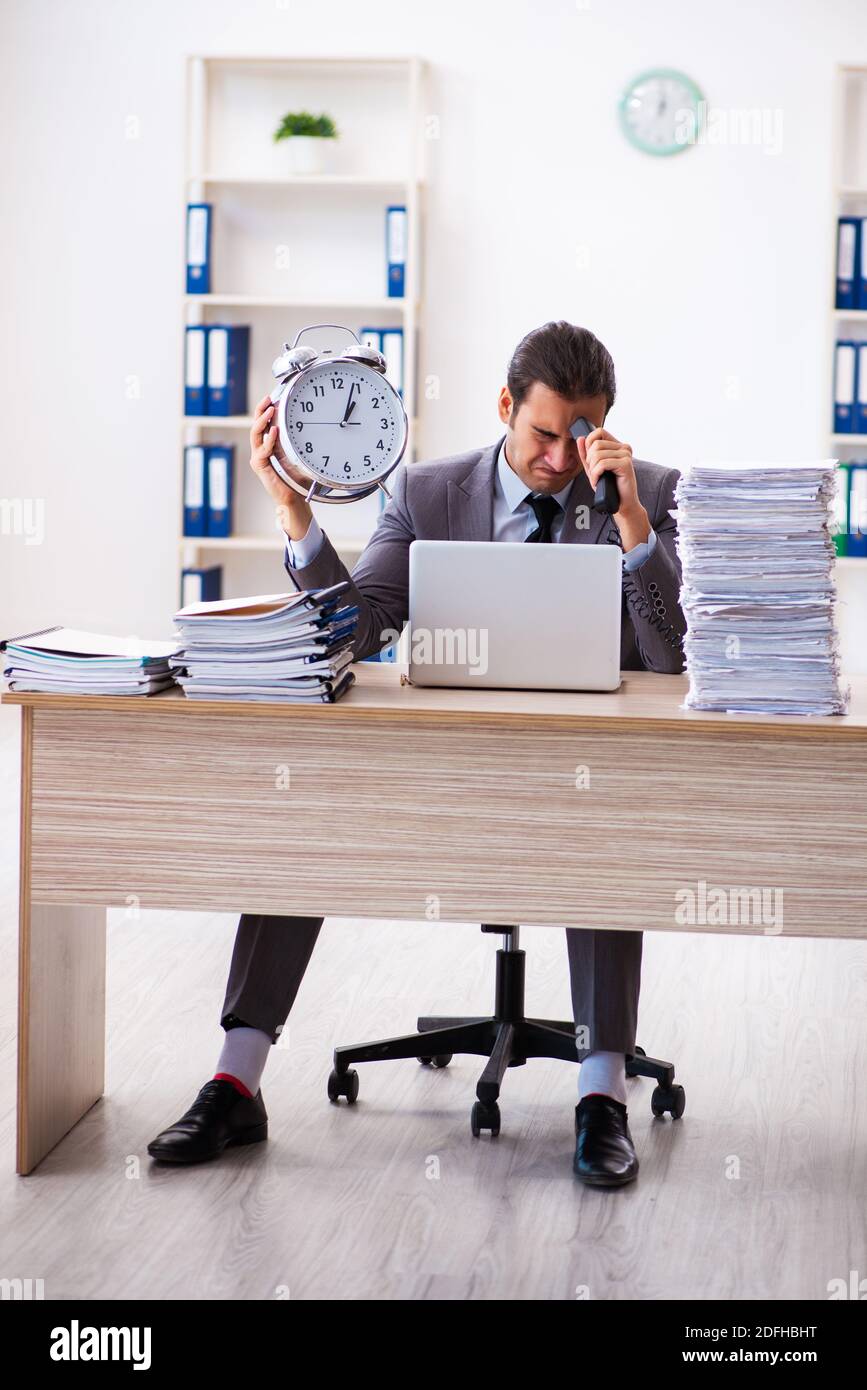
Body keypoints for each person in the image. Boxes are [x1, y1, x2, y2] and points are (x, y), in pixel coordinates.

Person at [147, 320, 686, 1185]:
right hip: (442, 771)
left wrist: (627, 521)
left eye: (578, 436)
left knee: (604, 820)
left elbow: (669, 659)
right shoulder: (431, 493)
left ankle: (601, 1094)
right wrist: (295, 513)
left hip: (577, 777)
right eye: (543, 433)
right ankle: (235, 1079)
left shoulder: (644, 495)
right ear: (505, 407)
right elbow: (358, 629)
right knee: (307, 810)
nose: (558, 458)